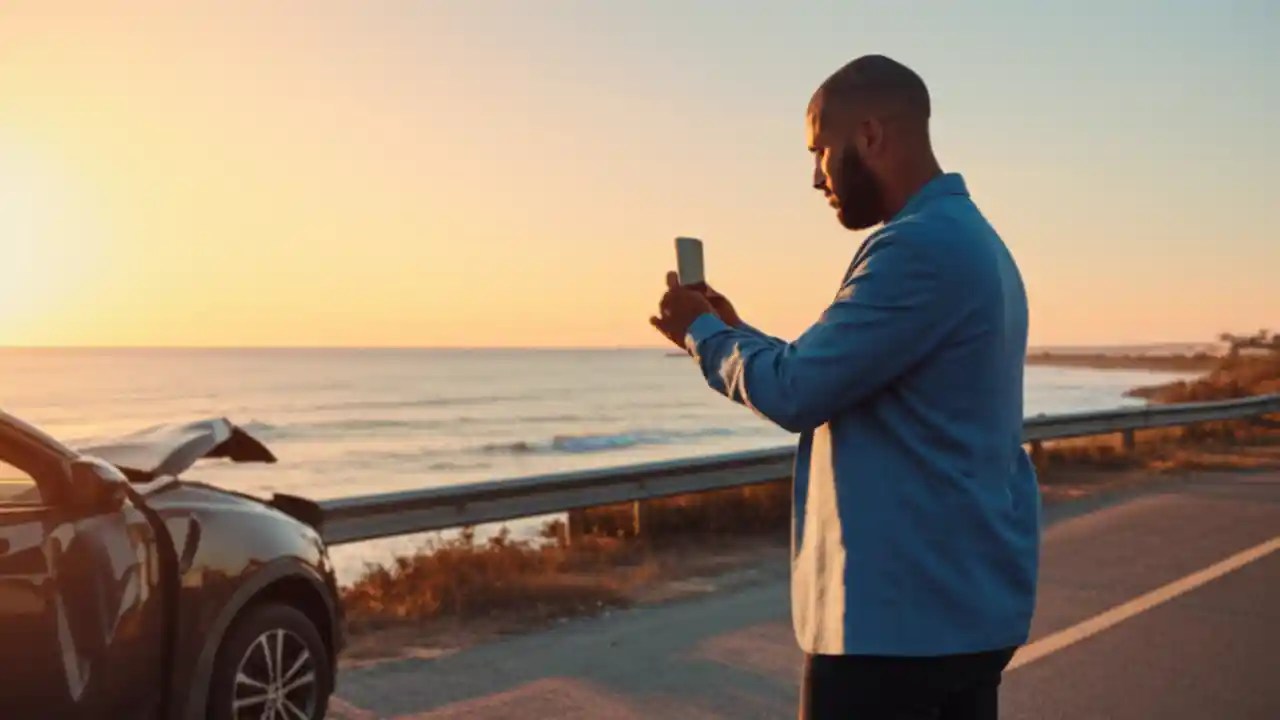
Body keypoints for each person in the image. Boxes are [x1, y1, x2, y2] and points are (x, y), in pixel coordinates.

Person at [649, 55, 1041, 720]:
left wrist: (705, 336)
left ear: (869, 136)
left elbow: (798, 390)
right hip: (955, 614)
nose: (814, 176)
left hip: (899, 630)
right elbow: (833, 373)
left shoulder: (919, 247)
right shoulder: (970, 239)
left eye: (819, 149)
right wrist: (738, 331)